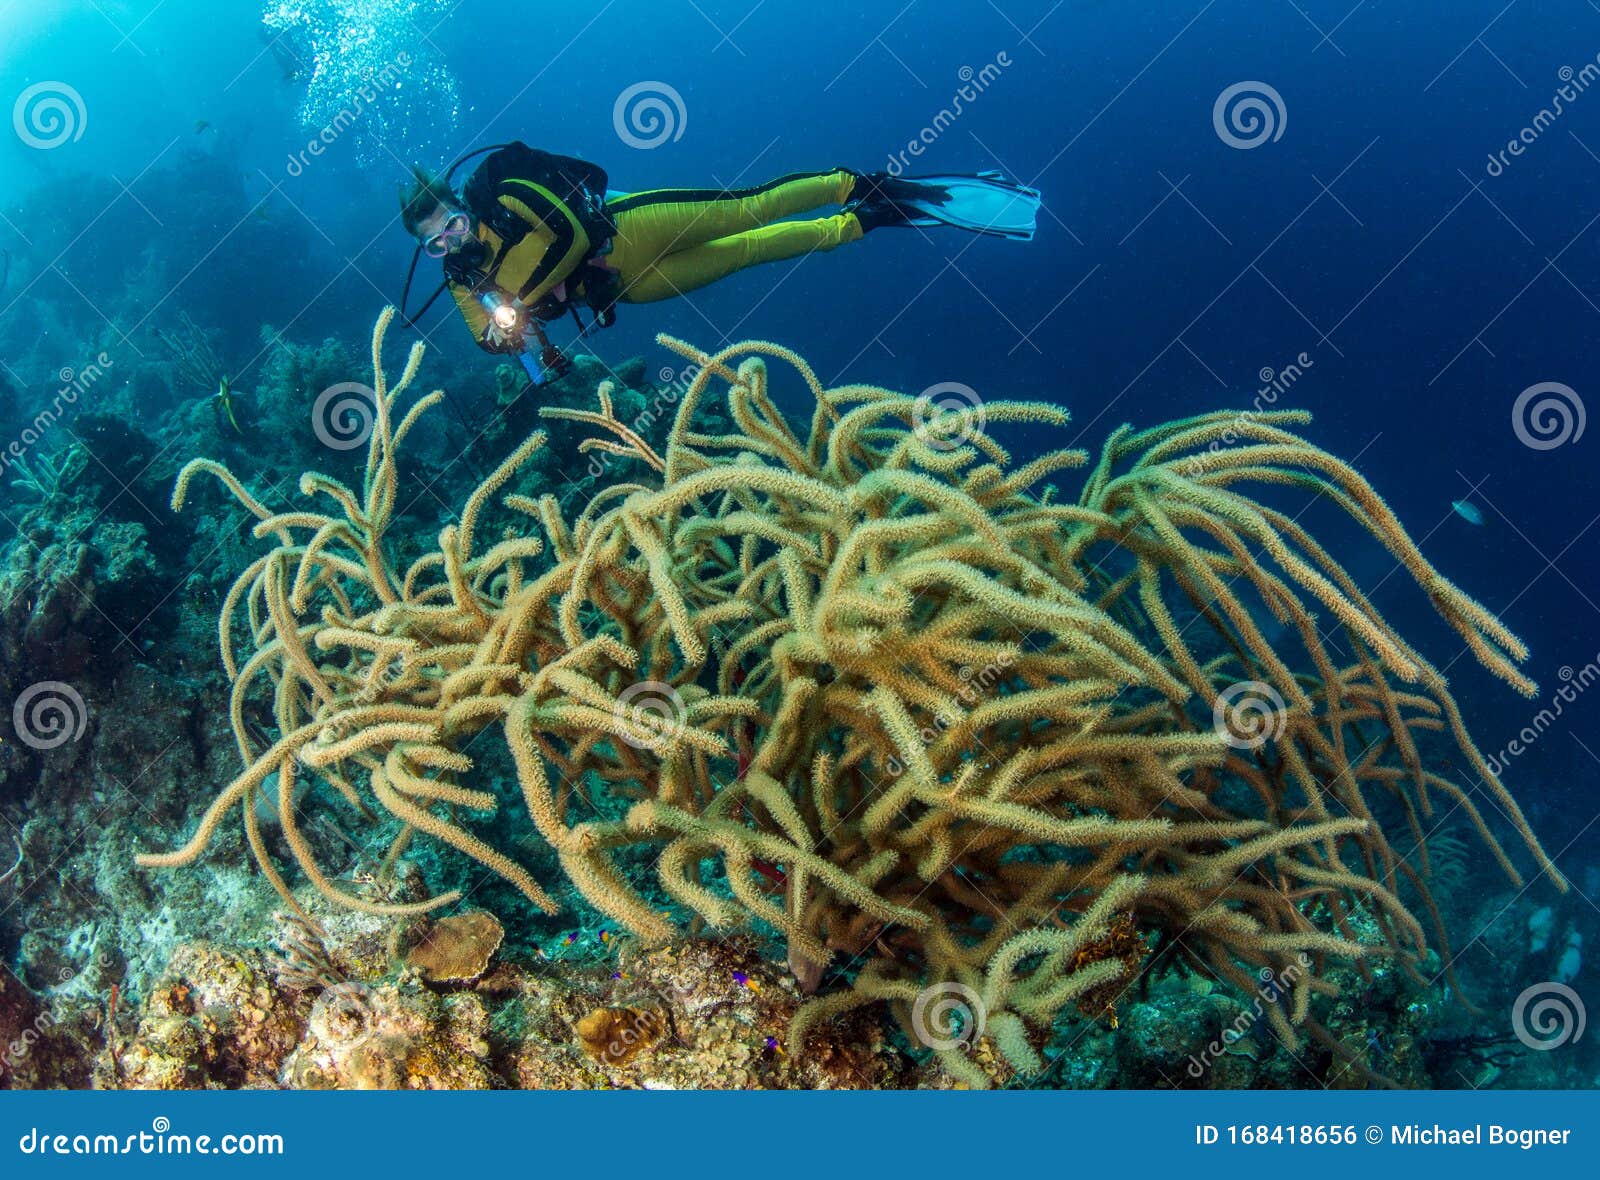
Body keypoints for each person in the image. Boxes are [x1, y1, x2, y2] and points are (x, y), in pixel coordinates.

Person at [398, 142, 1040, 369]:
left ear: (461, 203)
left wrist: (522, 301)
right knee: (752, 252)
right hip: (627, 287)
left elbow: (568, 236)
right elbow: (483, 337)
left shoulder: (504, 193)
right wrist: (506, 335)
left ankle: (865, 183)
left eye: (452, 223)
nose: (452, 241)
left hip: (630, 229)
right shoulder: (462, 275)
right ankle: (872, 219)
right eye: (436, 243)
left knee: (748, 209)